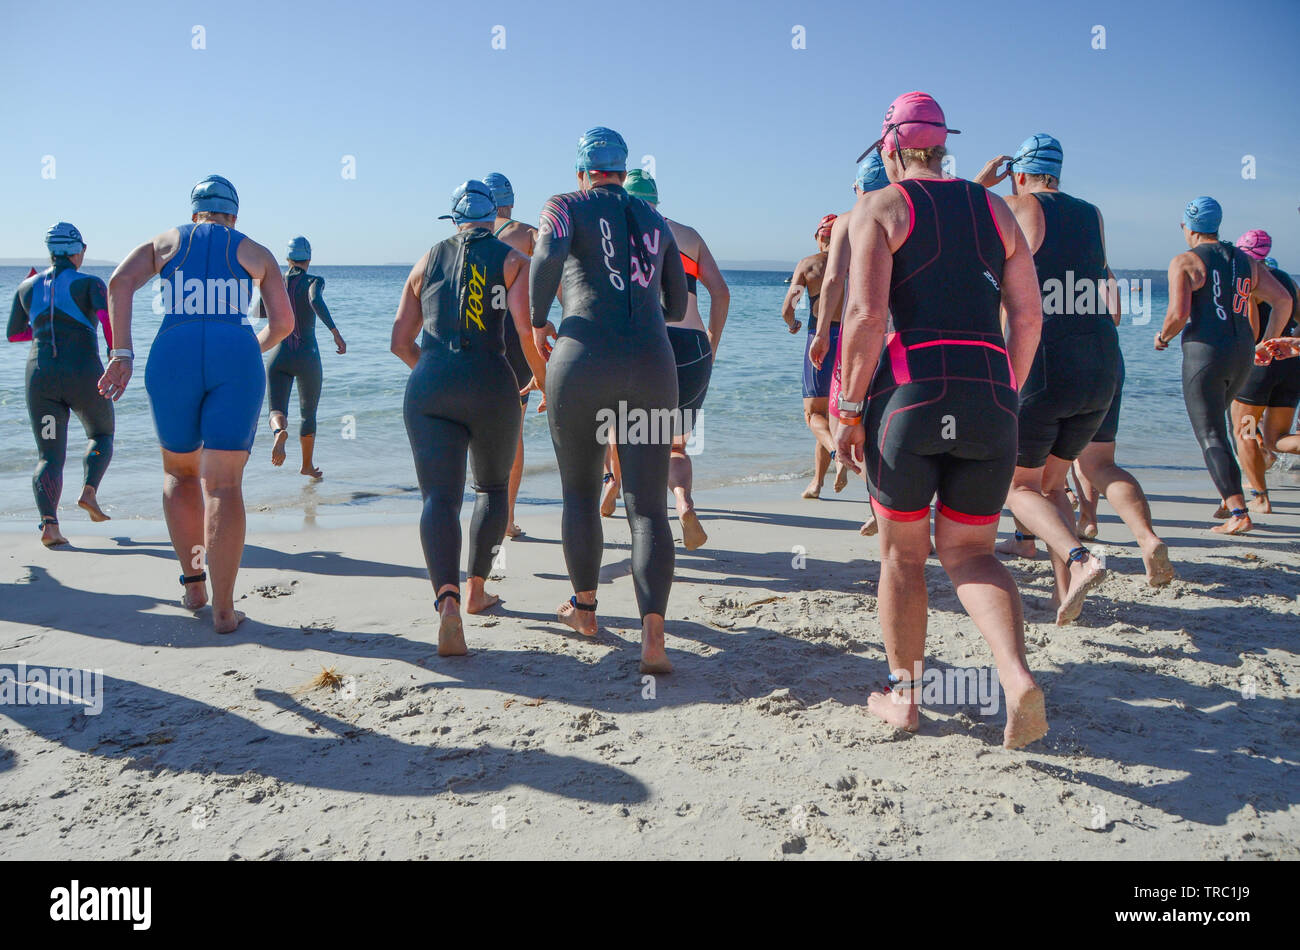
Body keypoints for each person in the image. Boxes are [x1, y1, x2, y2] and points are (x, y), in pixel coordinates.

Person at [835, 91, 1047, 749]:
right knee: (973, 553)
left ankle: (905, 699)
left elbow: (867, 317)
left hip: (913, 396)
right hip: (991, 395)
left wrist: (847, 405)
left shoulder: (882, 206)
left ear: (891, 147)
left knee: (903, 555)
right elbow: (1030, 317)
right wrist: (1005, 392)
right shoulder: (998, 210)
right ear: (942, 143)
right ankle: (1015, 679)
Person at [98, 175, 294, 633]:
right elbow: (283, 323)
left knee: (179, 473)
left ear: (194, 214)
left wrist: (121, 352)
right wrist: (247, 348)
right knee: (223, 486)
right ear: (234, 216)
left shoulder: (166, 242)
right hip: (235, 353)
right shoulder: (255, 252)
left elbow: (118, 283)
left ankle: (193, 586)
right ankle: (225, 610)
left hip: (173, 354)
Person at [529, 127, 688, 673]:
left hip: (582, 360)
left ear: (583, 171)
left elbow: (546, 252)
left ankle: (587, 611)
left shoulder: (565, 205)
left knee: (579, 494)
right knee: (648, 508)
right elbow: (677, 300)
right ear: (622, 171)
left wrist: (535, 320)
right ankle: (654, 637)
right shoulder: (657, 220)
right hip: (652, 364)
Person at [972, 134, 1123, 620]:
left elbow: (957, 221)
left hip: (1046, 363)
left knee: (1018, 489)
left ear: (1020, 172)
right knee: (1053, 487)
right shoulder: (1093, 214)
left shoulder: (1015, 205)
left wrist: (981, 182)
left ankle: (1081, 558)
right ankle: (1066, 594)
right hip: (1101, 363)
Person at [390, 181, 543, 656]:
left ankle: (448, 605)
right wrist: (543, 380)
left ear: (454, 220)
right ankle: (477, 589)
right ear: (493, 218)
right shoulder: (512, 260)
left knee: (439, 497)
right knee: (492, 490)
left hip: (430, 386)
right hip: (491, 385)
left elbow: (399, 341)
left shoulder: (425, 260)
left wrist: (436, 374)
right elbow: (524, 331)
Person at [1154, 197, 1293, 534]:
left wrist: (1162, 337)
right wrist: (1267, 342)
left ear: (1188, 228)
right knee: (1225, 428)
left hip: (1205, 355)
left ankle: (1238, 512)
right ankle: (1227, 497)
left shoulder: (1185, 261)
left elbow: (1178, 314)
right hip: (1242, 355)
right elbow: (1283, 301)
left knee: (1210, 432)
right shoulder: (1246, 261)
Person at [615, 168, 730, 550]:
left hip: (646, 344)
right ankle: (683, 503)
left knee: (632, 438)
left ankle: (640, 525)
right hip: (693, 346)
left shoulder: (618, 234)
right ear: (657, 200)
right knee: (676, 445)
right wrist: (711, 341)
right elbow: (721, 293)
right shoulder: (688, 235)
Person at [7, 223, 114, 546]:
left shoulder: (26, 287)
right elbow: (109, 322)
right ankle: (89, 492)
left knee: (49, 455)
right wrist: (117, 357)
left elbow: (14, 334)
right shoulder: (91, 284)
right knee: (101, 433)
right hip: (83, 375)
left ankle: (50, 526)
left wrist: (42, 327)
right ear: (77, 251)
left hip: (41, 380)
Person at [811, 152, 892, 535]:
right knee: (892, 422)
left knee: (853, 419)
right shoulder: (903, 213)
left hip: (860, 331)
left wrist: (823, 330)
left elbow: (833, 281)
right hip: (902, 333)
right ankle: (898, 508)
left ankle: (880, 506)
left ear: (858, 188)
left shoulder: (848, 220)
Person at [484, 171, 541, 538]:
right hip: (515, 339)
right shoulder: (527, 233)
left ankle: (482, 510)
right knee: (513, 431)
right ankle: (506, 519)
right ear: (510, 201)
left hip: (479, 337)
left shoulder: (465, 237)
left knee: (479, 430)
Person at [263, 236, 346, 479]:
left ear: (288, 259)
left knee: (276, 409)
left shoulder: (277, 281)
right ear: (308, 259)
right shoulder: (314, 280)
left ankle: (279, 431)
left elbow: (260, 309)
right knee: (308, 414)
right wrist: (335, 332)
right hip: (307, 355)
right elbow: (314, 299)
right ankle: (307, 465)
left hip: (279, 354)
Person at [1229, 234, 1300, 513]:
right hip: (1291, 366)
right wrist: (1292, 338)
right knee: (1276, 439)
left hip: (1258, 370)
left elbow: (1253, 332)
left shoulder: (1249, 281)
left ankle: (1260, 498)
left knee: (1244, 432)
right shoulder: (1285, 279)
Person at [780, 214, 842, 498]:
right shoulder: (854, 263)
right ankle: (817, 483)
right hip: (852, 341)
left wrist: (793, 325)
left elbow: (788, 308)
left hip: (820, 339)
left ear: (819, 237)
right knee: (832, 416)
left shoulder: (808, 265)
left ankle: (837, 454)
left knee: (814, 414)